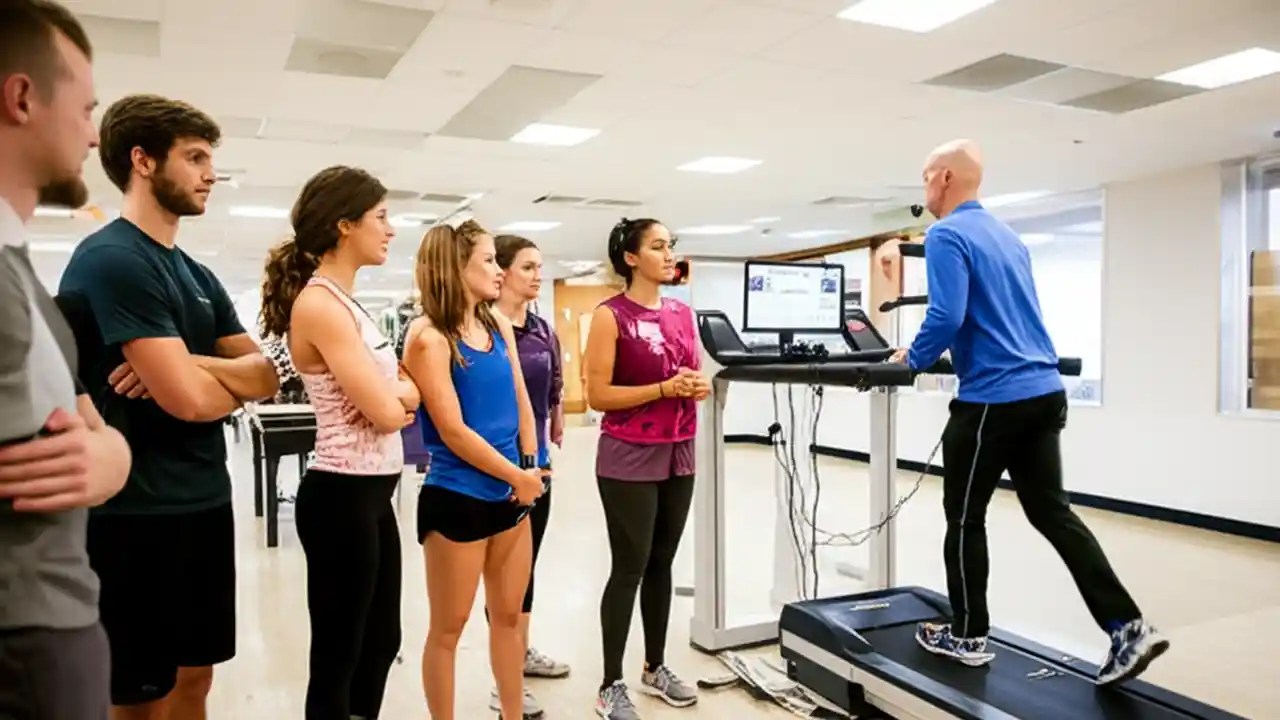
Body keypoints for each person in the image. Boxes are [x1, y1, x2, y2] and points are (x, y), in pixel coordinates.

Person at [889, 139, 1168, 686]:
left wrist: (911, 360)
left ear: (943, 178)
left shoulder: (945, 234)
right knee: (1052, 512)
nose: (924, 190)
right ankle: (1128, 626)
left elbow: (947, 314)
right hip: (1044, 391)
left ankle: (967, 635)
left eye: (925, 178)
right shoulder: (1008, 236)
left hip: (993, 398)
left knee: (965, 516)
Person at [56, 93, 279, 720]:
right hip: (133, 513)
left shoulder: (197, 275)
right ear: (142, 161)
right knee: (137, 696)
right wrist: (202, 378)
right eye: (196, 157)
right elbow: (185, 402)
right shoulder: (114, 260)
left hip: (203, 502)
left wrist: (196, 362)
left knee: (195, 679)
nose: (211, 173)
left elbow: (266, 373)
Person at [0, 3, 132, 718]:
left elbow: (91, 429)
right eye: (85, 108)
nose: (91, 132)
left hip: (55, 629)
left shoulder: (18, 269)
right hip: (25, 645)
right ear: (22, 98)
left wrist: (108, 453)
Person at [258, 165, 417, 720]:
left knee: (382, 640)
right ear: (344, 225)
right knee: (339, 655)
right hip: (340, 497)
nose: (390, 229)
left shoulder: (349, 305)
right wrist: (399, 395)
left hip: (373, 496)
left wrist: (400, 394)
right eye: (381, 217)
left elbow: (403, 391)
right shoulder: (320, 304)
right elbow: (385, 410)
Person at [401, 219, 546, 720]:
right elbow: (453, 429)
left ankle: (512, 713)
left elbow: (522, 401)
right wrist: (516, 475)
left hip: (513, 496)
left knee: (508, 618)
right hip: (458, 498)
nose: (498, 271)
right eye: (487, 260)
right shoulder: (428, 337)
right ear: (454, 268)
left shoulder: (496, 324)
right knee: (448, 628)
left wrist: (531, 465)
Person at [584, 218, 709, 720]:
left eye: (671, 245)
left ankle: (655, 667)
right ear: (631, 258)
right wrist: (662, 390)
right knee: (630, 566)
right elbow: (598, 395)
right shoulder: (609, 316)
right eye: (657, 246)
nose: (668, 253)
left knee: (662, 562)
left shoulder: (682, 313)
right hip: (629, 455)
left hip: (680, 449)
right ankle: (609, 683)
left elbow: (694, 374)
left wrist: (696, 387)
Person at [486, 234, 569, 716]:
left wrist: (554, 422)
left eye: (541, 266)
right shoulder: (485, 331)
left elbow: (553, 387)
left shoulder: (540, 330)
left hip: (537, 462)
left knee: (528, 565)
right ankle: (504, 675)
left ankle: (522, 651)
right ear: (502, 272)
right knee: (503, 575)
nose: (538, 275)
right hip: (500, 465)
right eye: (528, 267)